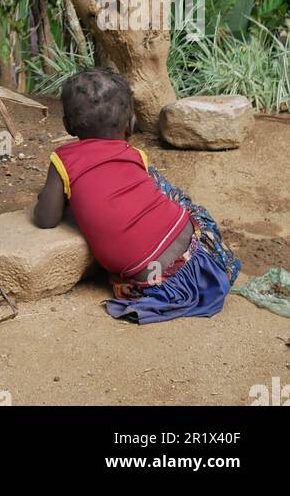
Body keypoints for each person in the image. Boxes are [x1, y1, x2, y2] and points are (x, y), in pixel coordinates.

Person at [34, 66, 240, 323]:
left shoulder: (63, 159)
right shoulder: (135, 155)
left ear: (67, 126)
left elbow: (46, 218)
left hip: (155, 278)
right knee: (158, 185)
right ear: (130, 125)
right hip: (197, 248)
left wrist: (49, 199)